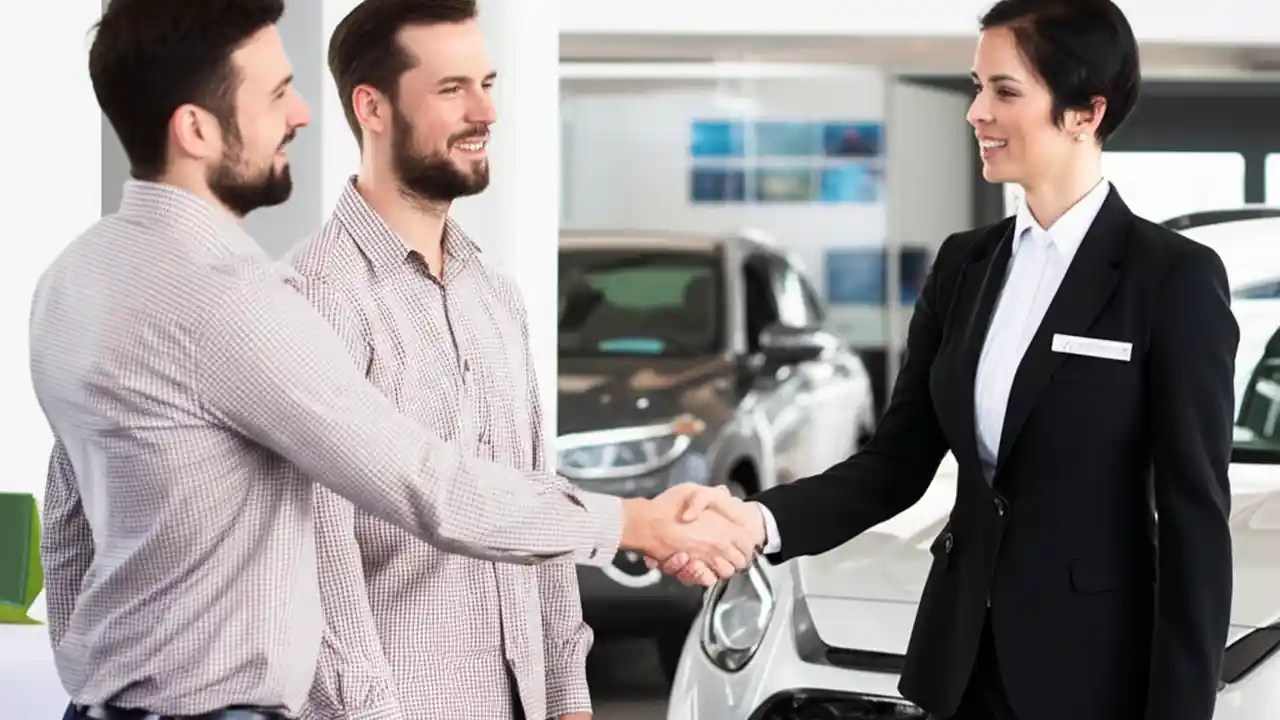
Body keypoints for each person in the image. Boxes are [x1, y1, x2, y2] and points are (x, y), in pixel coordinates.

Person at [33, 2, 756, 719]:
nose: (302, 115)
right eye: (277, 93)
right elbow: (429, 487)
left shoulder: (75, 279)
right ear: (196, 129)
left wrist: (565, 690)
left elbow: (67, 531)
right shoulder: (247, 303)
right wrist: (635, 523)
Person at [670, 2, 1238, 719]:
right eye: (977, 87)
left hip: (1097, 678)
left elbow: (1195, 520)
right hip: (962, 667)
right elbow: (893, 465)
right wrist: (753, 523)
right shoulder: (964, 266)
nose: (976, 111)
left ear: (1084, 113)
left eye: (1005, 91)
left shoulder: (1171, 278)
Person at [285, 1, 602, 717]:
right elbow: (317, 552)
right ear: (372, 106)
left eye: (488, 83)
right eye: (453, 88)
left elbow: (535, 501)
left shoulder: (496, 294)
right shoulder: (317, 298)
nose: (487, 111)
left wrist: (566, 694)